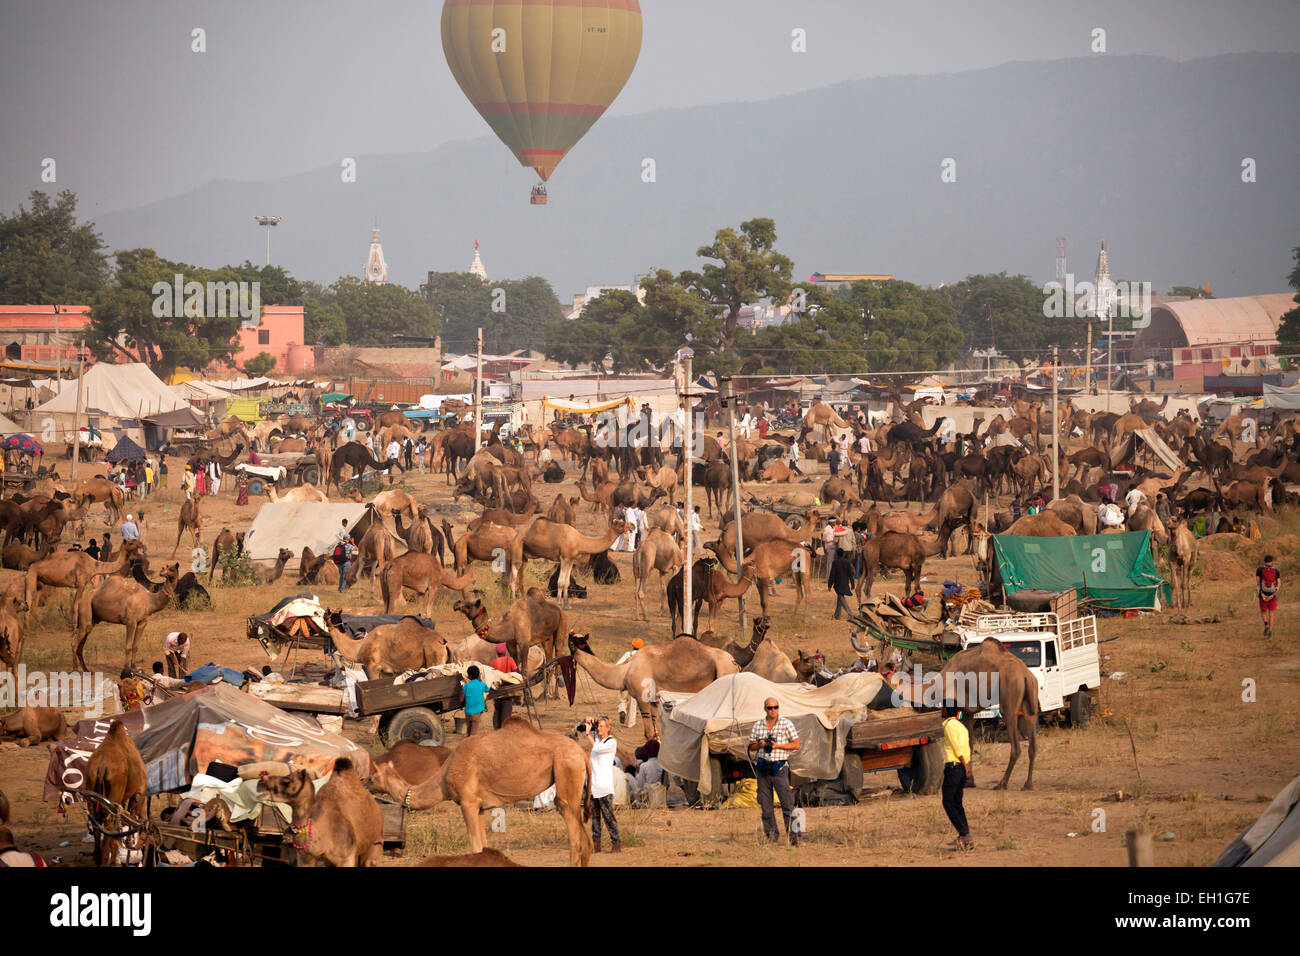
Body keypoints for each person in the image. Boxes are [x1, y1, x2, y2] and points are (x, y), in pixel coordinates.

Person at [747, 698, 800, 845]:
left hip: (780, 768)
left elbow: (796, 745)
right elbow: (751, 746)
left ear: (779, 708)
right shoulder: (758, 725)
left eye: (775, 707)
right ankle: (771, 837)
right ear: (764, 709)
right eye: (770, 708)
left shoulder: (786, 723)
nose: (773, 710)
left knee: (788, 804)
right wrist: (760, 744)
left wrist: (777, 746)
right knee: (766, 806)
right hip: (763, 768)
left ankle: (796, 839)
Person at [940, 700, 975, 849]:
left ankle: (964, 834)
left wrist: (965, 766)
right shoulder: (962, 727)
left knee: (947, 801)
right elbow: (966, 748)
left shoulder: (948, 725)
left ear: (946, 710)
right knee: (957, 802)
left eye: (942, 708)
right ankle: (965, 836)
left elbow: (956, 747)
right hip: (961, 768)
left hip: (954, 767)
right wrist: (967, 767)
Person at [585, 715, 620, 852]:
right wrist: (588, 721)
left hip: (604, 786)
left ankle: (616, 843)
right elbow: (580, 728)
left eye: (601, 726)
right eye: (598, 726)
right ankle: (596, 845)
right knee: (595, 819)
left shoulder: (611, 742)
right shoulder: (597, 739)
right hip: (593, 786)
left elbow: (597, 748)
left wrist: (589, 734)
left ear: (608, 728)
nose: (598, 729)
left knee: (609, 817)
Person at [1256, 554, 1280, 637]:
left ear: (1264, 561)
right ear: (1272, 562)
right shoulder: (1276, 570)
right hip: (1272, 594)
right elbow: (1278, 584)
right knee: (1271, 613)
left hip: (1263, 594)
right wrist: (1273, 595)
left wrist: (1262, 594)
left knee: (1263, 611)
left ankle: (1266, 624)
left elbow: (1258, 584)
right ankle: (1270, 630)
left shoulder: (1259, 569)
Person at [461, 665, 489, 736]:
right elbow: (487, 689)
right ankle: (471, 745)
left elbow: (461, 699)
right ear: (478, 675)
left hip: (468, 712)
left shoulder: (466, 686)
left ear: (469, 676)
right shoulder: (482, 684)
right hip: (477, 712)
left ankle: (468, 743)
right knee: (473, 733)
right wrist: (480, 680)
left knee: (469, 730)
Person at [829, 549, 855, 619]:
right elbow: (850, 574)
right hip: (845, 583)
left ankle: (850, 613)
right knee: (840, 598)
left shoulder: (835, 562)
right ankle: (837, 615)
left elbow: (832, 575)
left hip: (838, 584)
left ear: (837, 554)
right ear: (843, 554)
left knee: (841, 597)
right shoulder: (847, 562)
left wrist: (829, 585)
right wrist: (852, 584)